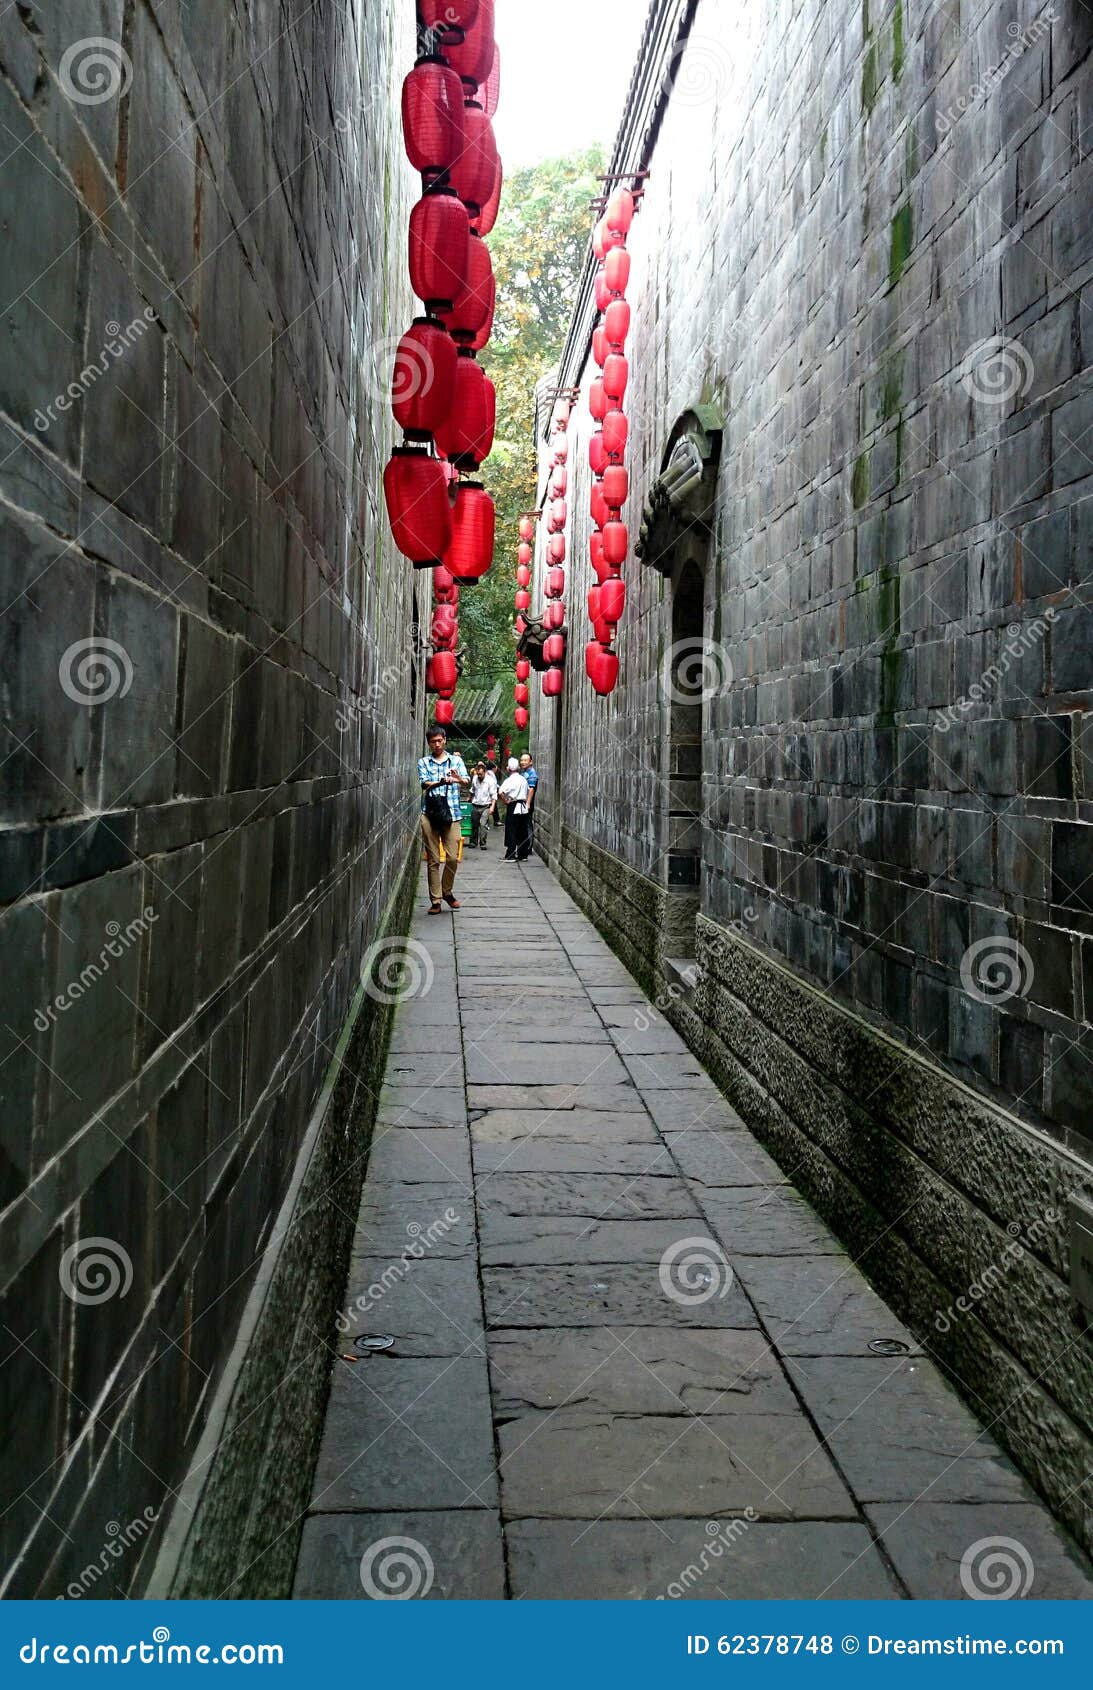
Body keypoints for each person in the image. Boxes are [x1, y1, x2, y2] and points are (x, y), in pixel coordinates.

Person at [417, 726, 470, 913]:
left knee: (453, 857)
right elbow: (424, 783)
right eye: (433, 742)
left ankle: (447, 891)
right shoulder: (424, 762)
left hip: (452, 814)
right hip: (430, 814)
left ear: (445, 740)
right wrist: (440, 781)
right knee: (433, 859)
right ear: (429, 743)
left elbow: (466, 781)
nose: (437, 744)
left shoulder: (456, 761)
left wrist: (457, 779)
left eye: (440, 740)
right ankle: (436, 900)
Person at [498, 756, 530, 861]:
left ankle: (510, 854)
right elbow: (528, 791)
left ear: (508, 769)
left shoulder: (509, 780)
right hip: (523, 806)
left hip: (513, 805)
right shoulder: (523, 779)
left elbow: (500, 792)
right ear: (518, 768)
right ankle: (523, 854)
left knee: (511, 830)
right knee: (522, 830)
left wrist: (505, 800)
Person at [469, 761, 498, 849]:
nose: (479, 776)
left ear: (485, 772)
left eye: (481, 774)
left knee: (483, 824)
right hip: (476, 804)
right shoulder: (475, 778)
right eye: (478, 774)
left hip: (486, 805)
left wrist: (492, 807)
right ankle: (473, 842)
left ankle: (483, 843)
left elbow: (494, 795)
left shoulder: (490, 781)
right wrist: (469, 798)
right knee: (474, 824)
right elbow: (472, 790)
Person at [519, 751, 538, 858]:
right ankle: (524, 845)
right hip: (523, 802)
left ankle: (528, 847)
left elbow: (531, 789)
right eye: (522, 760)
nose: (523, 762)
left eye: (525, 760)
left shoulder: (532, 774)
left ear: (530, 762)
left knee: (527, 824)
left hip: (527, 803)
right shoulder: (524, 772)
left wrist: (528, 803)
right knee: (524, 824)